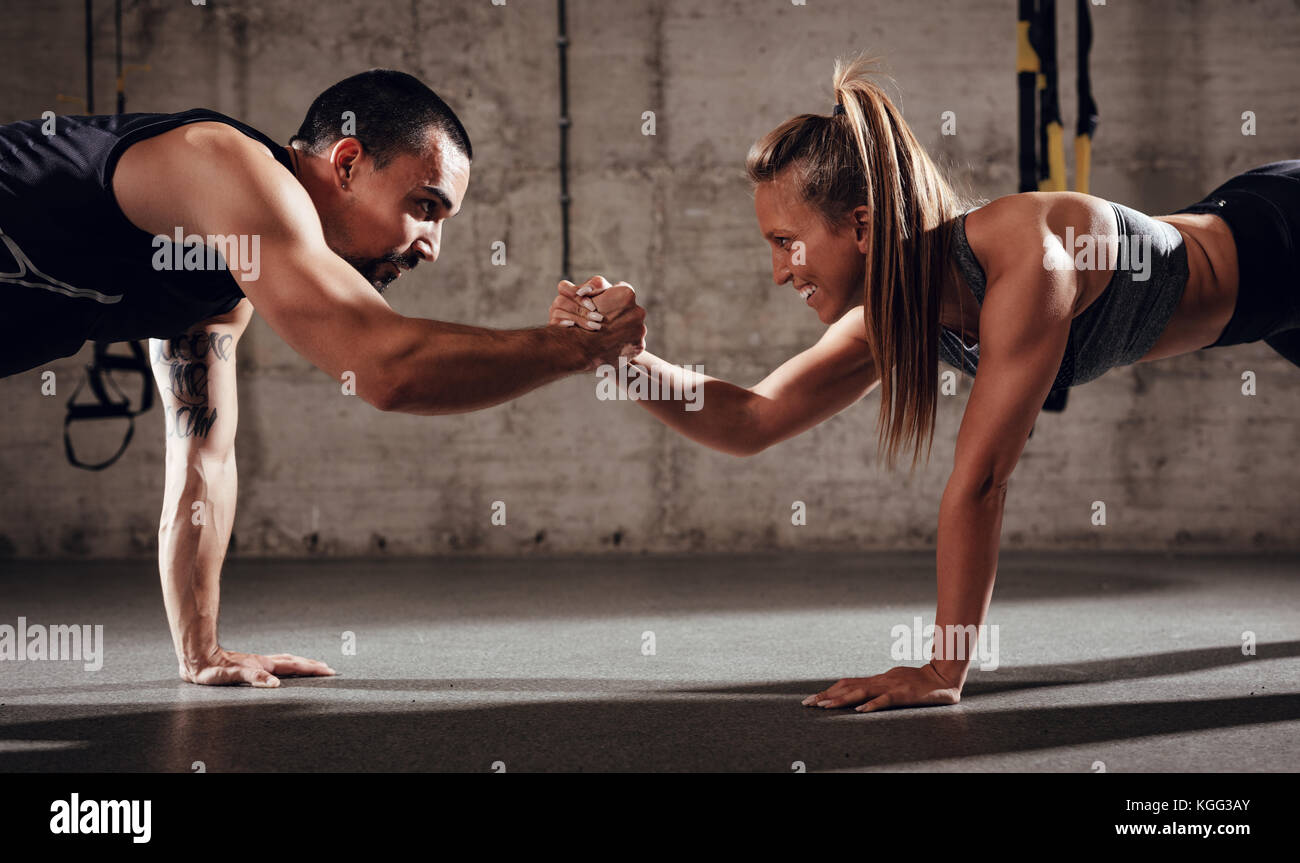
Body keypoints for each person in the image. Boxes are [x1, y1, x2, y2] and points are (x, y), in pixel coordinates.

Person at [548, 55, 1299, 713]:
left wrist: (944, 667)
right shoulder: (898, 308)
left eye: (787, 242)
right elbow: (753, 418)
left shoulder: (1028, 254)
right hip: (1266, 297)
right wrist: (618, 359)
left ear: (864, 225)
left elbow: (980, 482)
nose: (779, 271)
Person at [0, 69, 645, 687]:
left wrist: (201, 652)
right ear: (347, 163)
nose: (431, 247)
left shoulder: (222, 279)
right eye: (425, 207)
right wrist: (571, 349)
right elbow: (386, 368)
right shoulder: (229, 166)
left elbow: (205, 461)